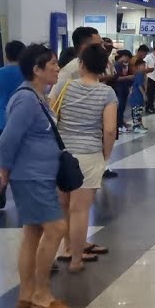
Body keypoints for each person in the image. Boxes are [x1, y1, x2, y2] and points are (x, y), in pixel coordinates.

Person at [0, 44, 69, 308]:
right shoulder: (26, 98)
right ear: (36, 70)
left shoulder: (36, 96)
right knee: (57, 227)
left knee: (33, 231)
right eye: (52, 64)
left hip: (38, 174)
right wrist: (3, 170)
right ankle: (41, 293)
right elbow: (8, 138)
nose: (57, 68)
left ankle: (27, 293)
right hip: (32, 176)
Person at [51, 44, 117, 273]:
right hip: (89, 155)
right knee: (80, 209)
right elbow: (109, 130)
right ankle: (76, 259)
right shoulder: (107, 93)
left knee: (63, 205)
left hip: (63, 154)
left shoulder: (64, 86)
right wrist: (106, 153)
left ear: (81, 64)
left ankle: (64, 248)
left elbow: (50, 114)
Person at [0, 40, 26, 209]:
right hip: (22, 123)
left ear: (6, 55)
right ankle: (22, 194)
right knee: (21, 157)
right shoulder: (28, 74)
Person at [55, 27, 101, 93]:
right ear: (84, 47)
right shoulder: (69, 71)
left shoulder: (91, 66)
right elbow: (55, 98)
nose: (102, 49)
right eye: (97, 46)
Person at [128, 55, 148, 133]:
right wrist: (144, 94)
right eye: (143, 65)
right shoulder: (139, 74)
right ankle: (137, 126)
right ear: (138, 66)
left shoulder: (139, 74)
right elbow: (139, 86)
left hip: (135, 96)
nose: (144, 67)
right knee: (137, 111)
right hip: (137, 96)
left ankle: (139, 125)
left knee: (138, 111)